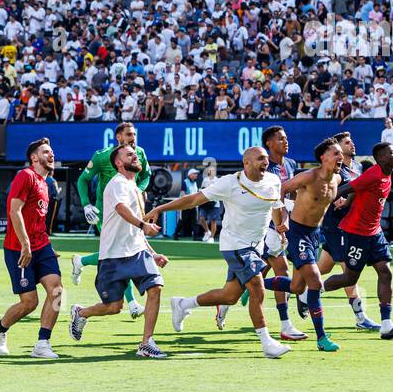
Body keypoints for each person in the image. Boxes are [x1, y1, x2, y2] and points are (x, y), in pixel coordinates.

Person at [147, 146, 291, 359]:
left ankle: (182, 304)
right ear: (246, 163)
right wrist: (160, 209)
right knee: (257, 286)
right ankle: (266, 342)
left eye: (267, 159)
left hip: (256, 246)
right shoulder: (229, 183)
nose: (265, 162)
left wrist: (281, 228)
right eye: (260, 158)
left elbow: (277, 207)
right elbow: (193, 200)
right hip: (235, 245)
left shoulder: (273, 180)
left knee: (230, 296)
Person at [67, 145, 169, 359]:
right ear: (119, 163)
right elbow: (122, 209)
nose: (136, 156)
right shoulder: (118, 183)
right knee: (113, 307)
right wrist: (144, 225)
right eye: (129, 154)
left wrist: (152, 252)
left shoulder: (135, 188)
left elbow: (134, 228)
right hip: (113, 255)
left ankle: (146, 343)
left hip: (136, 252)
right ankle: (81, 313)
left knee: (156, 287)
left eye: (136, 153)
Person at [261, 137, 345, 353]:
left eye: (340, 154)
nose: (340, 157)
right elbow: (279, 189)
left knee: (298, 287)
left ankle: (254, 283)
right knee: (315, 282)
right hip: (297, 233)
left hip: (315, 234)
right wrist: (283, 217)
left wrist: (342, 201)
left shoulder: (336, 179)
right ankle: (322, 338)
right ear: (323, 158)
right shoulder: (308, 176)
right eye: (336, 153)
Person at [321, 143, 393, 340]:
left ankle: (387, 325)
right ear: (381, 158)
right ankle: (312, 290)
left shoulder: (386, 175)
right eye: (392, 153)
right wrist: (322, 200)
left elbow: (357, 189)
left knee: (385, 272)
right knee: (349, 279)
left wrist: (349, 201)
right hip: (356, 233)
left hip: (374, 232)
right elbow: (346, 187)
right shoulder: (373, 174)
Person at [0, 138, 63, 359]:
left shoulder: (45, 184)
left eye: (52, 151)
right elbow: (14, 211)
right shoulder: (25, 176)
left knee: (57, 290)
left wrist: (47, 245)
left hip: (42, 246)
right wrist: (26, 245)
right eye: (46, 152)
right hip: (18, 248)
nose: (52, 155)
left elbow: (37, 220)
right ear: (34, 157)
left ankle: (42, 343)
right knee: (30, 302)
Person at [72, 122, 149, 319]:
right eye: (129, 134)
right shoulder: (102, 156)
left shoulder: (139, 153)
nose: (133, 138)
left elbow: (146, 177)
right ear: (119, 137)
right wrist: (87, 204)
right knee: (121, 250)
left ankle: (81, 260)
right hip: (106, 214)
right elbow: (83, 180)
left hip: (130, 212)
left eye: (134, 134)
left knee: (123, 250)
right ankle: (132, 303)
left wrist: (137, 191)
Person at [314, 131, 381, 330]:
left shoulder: (358, 167)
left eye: (352, 141)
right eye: (347, 142)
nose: (352, 144)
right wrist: (338, 199)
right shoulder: (335, 171)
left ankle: (276, 284)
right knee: (349, 271)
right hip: (336, 226)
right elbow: (327, 192)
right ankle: (361, 318)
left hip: (351, 225)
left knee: (318, 270)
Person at [261, 126, 308, 342]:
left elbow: (289, 194)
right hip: (265, 225)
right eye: (281, 139)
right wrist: (280, 221)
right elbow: (270, 199)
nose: (286, 142)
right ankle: (285, 324)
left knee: (258, 274)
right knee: (282, 270)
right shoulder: (264, 166)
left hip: (283, 223)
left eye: (286, 138)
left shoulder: (290, 165)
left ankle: (225, 301)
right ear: (269, 143)